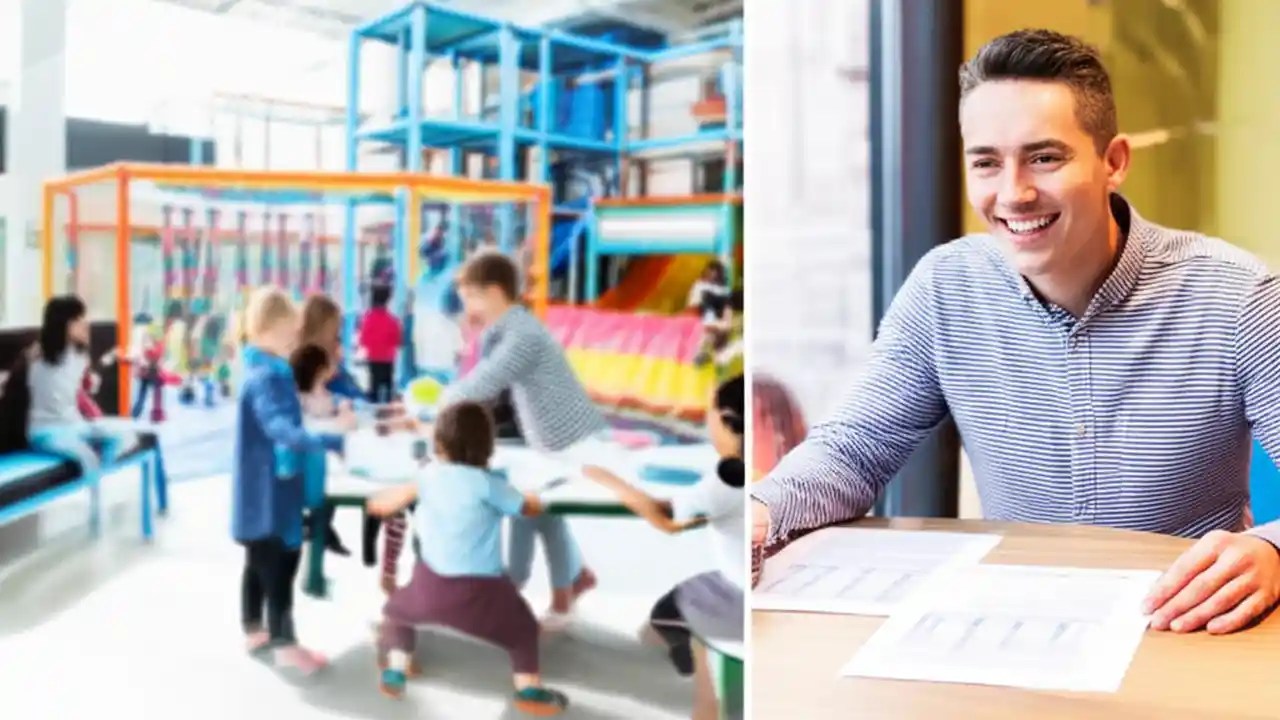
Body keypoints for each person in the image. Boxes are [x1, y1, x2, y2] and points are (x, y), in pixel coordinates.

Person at [752, 28, 1280, 636]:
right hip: (1015, 629)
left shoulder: (1236, 297)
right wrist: (761, 513)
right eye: (986, 163)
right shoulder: (945, 287)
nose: (1013, 194)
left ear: (1113, 162)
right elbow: (853, 451)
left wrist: (1272, 550)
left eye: (1045, 158)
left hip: (1185, 629)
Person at [365, 401, 570, 715]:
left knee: (396, 613)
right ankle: (528, 688)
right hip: (483, 594)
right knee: (524, 629)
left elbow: (380, 505)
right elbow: (528, 508)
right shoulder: (490, 485)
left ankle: (396, 668)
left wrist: (384, 498)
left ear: (439, 444)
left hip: (428, 587)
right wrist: (532, 497)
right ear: (488, 447)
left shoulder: (426, 477)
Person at [437, 249, 598, 625]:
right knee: (529, 506)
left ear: (494, 292)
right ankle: (528, 584)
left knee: (543, 511)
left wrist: (435, 408)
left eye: (471, 299)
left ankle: (558, 593)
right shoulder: (508, 330)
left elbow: (484, 383)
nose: (469, 310)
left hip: (569, 443)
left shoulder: (521, 334)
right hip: (550, 444)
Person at [585, 374, 745, 720]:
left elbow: (669, 523)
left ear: (727, 421)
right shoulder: (766, 469)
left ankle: (704, 695)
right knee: (668, 616)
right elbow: (691, 510)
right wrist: (653, 500)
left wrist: (612, 483)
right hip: (752, 586)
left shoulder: (729, 478)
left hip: (738, 599)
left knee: (667, 624)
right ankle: (698, 673)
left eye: (709, 415)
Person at [233, 287, 354, 674]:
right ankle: (284, 644)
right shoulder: (269, 376)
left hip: (256, 491)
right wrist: (329, 438)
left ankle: (254, 629)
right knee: (282, 564)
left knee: (257, 560)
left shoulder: (258, 370)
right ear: (266, 330)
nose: (293, 341)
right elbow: (281, 428)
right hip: (273, 491)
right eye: (288, 334)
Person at [359, 283, 403, 404]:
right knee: (388, 387)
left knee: (374, 386)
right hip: (388, 359)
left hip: (373, 358)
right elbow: (398, 341)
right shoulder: (392, 320)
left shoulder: (367, 319)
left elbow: (363, 340)